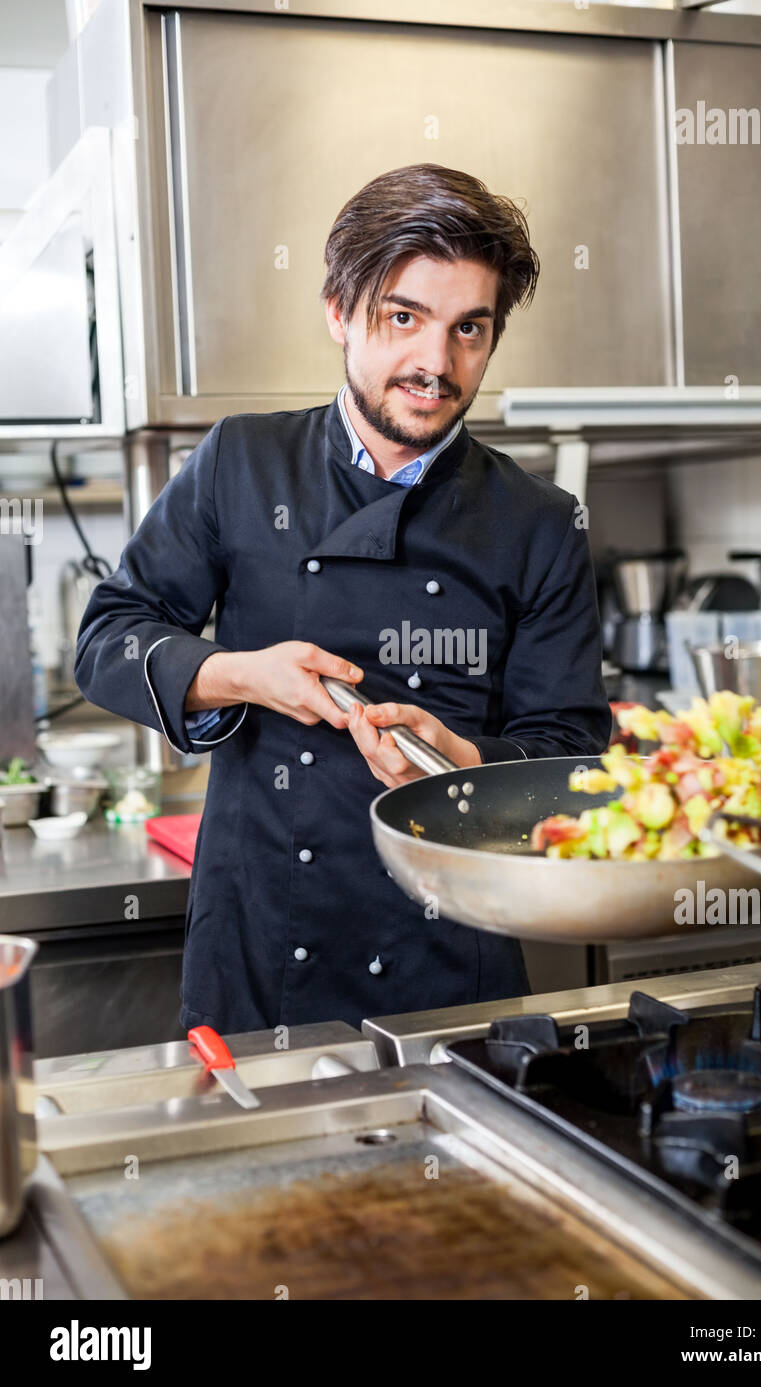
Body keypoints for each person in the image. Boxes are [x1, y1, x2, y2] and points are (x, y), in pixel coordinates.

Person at [75, 163, 611, 1034]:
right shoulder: (240, 463)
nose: (435, 364)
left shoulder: (540, 521)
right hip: (260, 951)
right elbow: (107, 640)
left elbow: (573, 761)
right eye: (403, 317)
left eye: (468, 330)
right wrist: (239, 675)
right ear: (338, 312)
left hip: (451, 962)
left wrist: (463, 763)